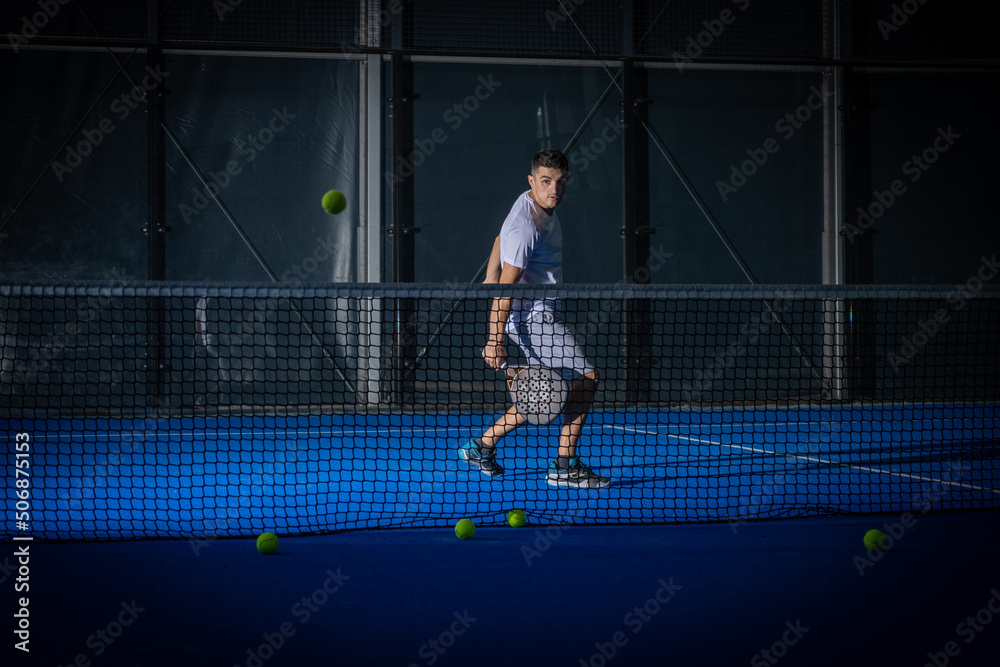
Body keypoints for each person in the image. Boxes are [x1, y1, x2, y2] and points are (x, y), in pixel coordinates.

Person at [458, 149, 611, 488]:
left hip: (535, 315)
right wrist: (494, 340)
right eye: (545, 181)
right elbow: (505, 290)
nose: (553, 189)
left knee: (544, 394)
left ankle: (480, 447)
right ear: (532, 181)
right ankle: (564, 465)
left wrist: (490, 273)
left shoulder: (529, 202)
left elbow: (499, 239)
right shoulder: (527, 227)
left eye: (559, 181)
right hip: (533, 320)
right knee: (587, 377)